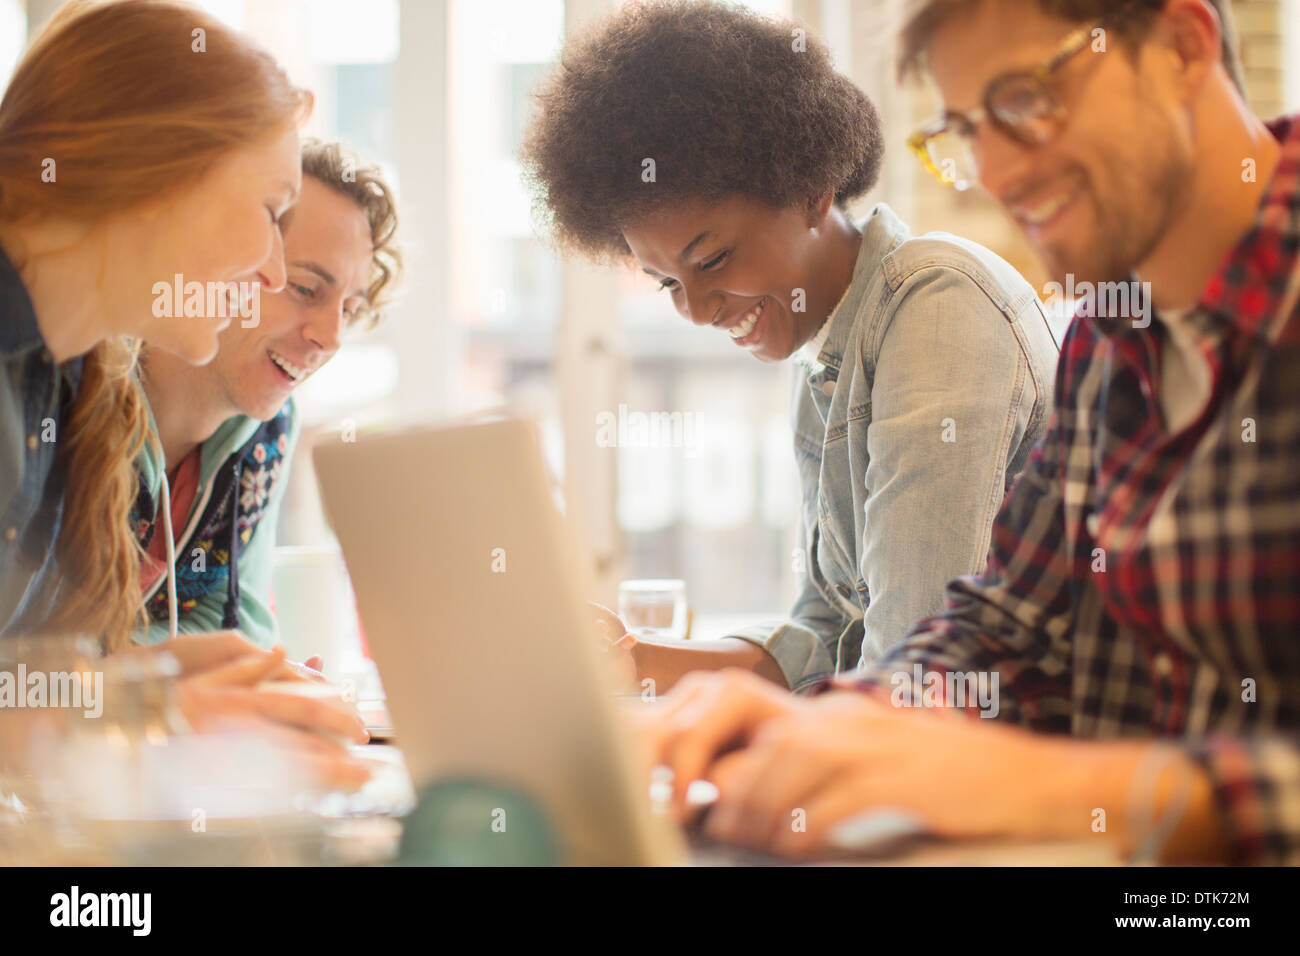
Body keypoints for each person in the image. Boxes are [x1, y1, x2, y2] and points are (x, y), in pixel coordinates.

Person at [640, 0, 1300, 865]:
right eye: (963, 130)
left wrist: (1057, 789)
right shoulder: (1112, 333)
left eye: (1024, 100)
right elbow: (1003, 628)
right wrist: (849, 722)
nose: (992, 172)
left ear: (1181, 46)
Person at [521, 0, 1058, 693]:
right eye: (665, 285)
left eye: (711, 261)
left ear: (809, 189)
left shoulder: (935, 304)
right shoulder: (826, 345)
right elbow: (827, 632)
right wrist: (635, 659)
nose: (698, 311)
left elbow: (913, 667)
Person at [0, 0, 366, 785]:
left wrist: (148, 684)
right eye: (271, 214)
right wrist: (135, 711)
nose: (271, 271)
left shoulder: (52, 378)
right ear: (155, 176)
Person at [134, 140, 401, 648]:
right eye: (304, 289)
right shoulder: (73, 399)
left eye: (348, 308)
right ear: (223, 261)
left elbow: (236, 625)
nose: (331, 338)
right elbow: (37, 643)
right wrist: (189, 673)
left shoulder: (270, 430)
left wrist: (263, 680)